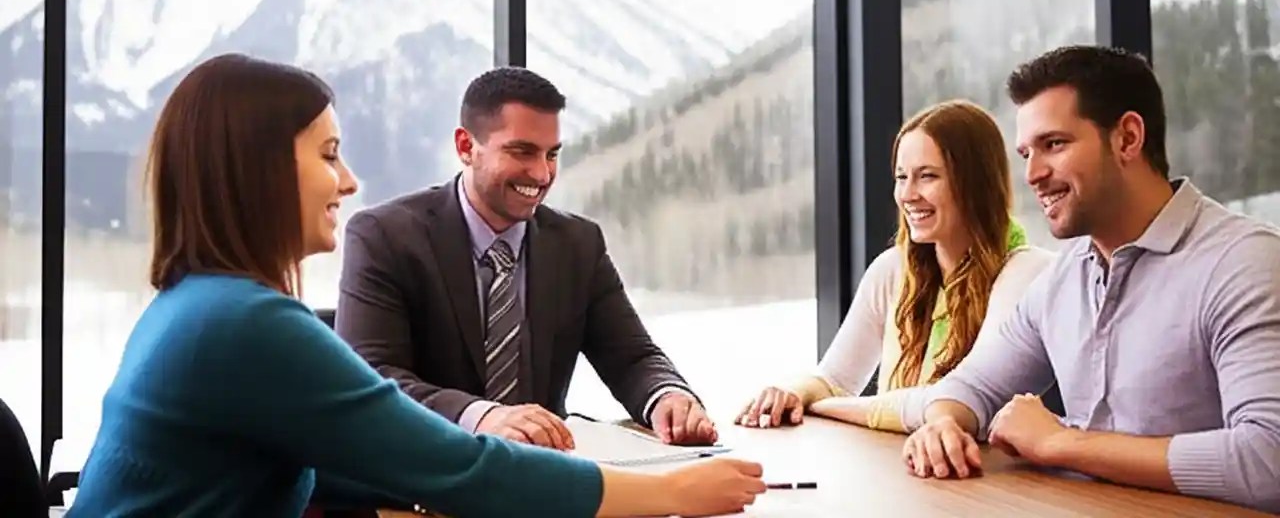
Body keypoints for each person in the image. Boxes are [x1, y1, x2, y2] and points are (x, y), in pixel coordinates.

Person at [67, 54, 765, 518]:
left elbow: (346, 454)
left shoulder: (200, 306)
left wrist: (666, 399)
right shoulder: (247, 324)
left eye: (553, 154)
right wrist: (673, 490)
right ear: (258, 170)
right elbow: (455, 464)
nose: (348, 181)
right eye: (329, 155)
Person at [902, 46, 1280, 514]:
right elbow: (968, 389)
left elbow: (1269, 460)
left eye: (1054, 145)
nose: (1033, 174)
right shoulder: (1061, 278)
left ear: (1127, 138)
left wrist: (1062, 444)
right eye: (1026, 152)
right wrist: (941, 423)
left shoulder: (1244, 263)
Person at [336, 67, 715, 449]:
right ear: (466, 147)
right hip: (427, 473)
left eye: (552, 155)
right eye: (522, 152)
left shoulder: (578, 244)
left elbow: (632, 357)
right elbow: (371, 378)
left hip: (545, 477)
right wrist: (482, 415)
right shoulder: (383, 237)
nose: (541, 173)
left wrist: (667, 397)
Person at [736, 99, 1054, 433]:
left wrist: (824, 406)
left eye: (927, 176)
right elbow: (835, 379)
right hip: (905, 470)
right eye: (902, 177)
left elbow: (951, 404)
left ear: (976, 184)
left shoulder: (1027, 272)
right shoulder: (892, 270)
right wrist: (793, 394)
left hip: (988, 480)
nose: (908, 194)